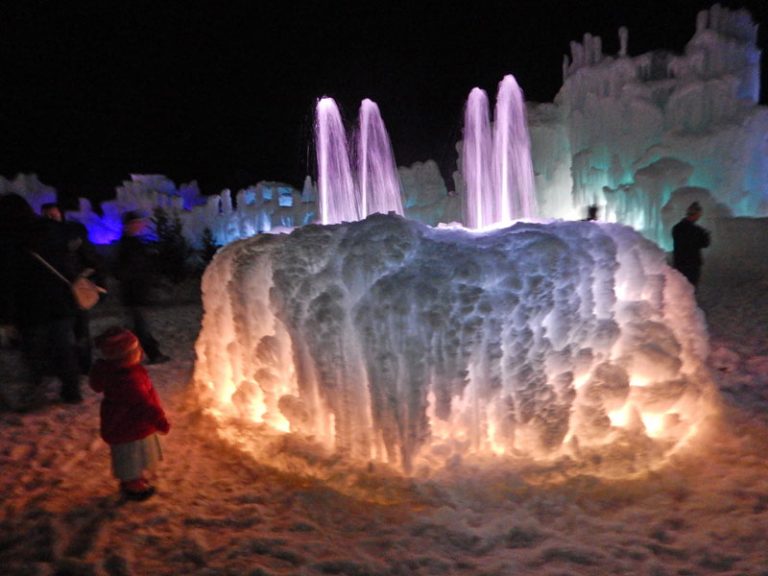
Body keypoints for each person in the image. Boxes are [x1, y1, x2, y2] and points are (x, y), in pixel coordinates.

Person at [90, 327, 170, 501]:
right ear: (125, 357)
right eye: (136, 350)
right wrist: (159, 420)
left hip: (121, 423)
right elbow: (143, 405)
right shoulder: (128, 380)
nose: (141, 352)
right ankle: (132, 485)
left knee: (131, 453)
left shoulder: (114, 370)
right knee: (130, 454)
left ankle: (134, 478)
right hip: (130, 425)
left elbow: (97, 384)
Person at [41, 202, 107, 374]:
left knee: (79, 331)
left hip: (74, 292)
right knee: (60, 333)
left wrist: (91, 278)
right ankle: (65, 367)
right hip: (55, 295)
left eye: (53, 215)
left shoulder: (72, 236)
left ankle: (83, 365)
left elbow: (92, 259)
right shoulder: (42, 240)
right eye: (47, 216)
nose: (50, 219)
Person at [116, 211, 170, 364]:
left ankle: (128, 355)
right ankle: (153, 354)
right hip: (134, 293)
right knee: (140, 327)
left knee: (135, 326)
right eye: (137, 222)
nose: (141, 225)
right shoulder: (128, 245)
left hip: (136, 292)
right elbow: (126, 270)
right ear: (129, 225)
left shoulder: (133, 244)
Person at [672, 201, 711, 288]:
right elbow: (705, 243)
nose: (699, 216)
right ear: (696, 214)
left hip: (679, 262)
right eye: (699, 214)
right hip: (692, 263)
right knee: (691, 288)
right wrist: (705, 235)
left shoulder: (676, 228)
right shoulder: (697, 230)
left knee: (680, 288)